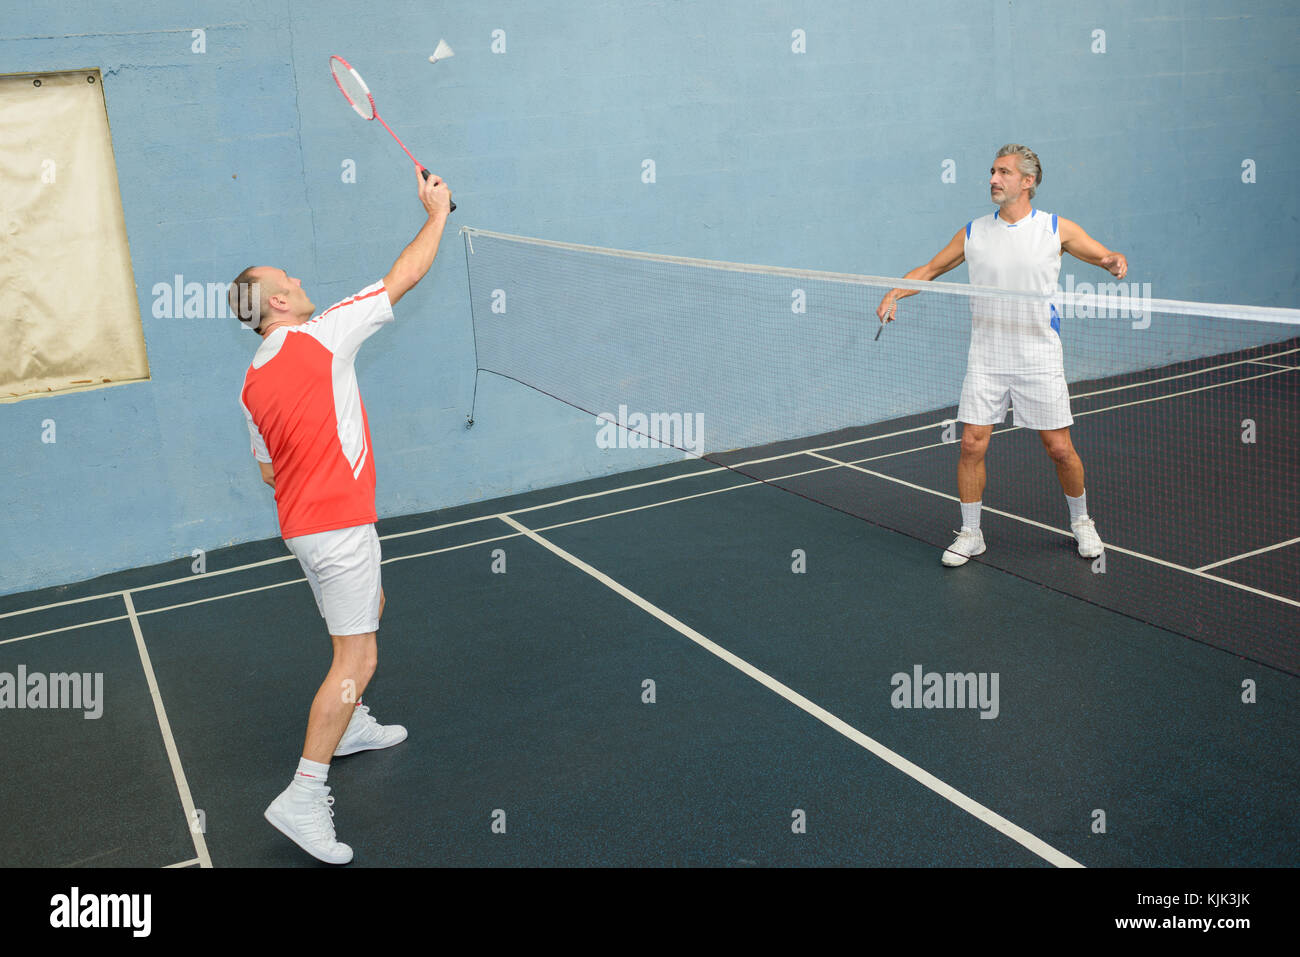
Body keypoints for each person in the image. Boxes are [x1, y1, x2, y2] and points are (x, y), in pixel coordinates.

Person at [230, 170, 453, 863]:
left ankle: (350, 723)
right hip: (338, 523)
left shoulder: (251, 384)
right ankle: (303, 792)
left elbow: (268, 469)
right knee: (358, 654)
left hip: (303, 530)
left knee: (370, 603)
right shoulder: (322, 335)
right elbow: (403, 276)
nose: (298, 278)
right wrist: (437, 212)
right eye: (288, 276)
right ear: (278, 300)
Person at [876, 145, 1126, 567]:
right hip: (987, 356)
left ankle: (1082, 522)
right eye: (992, 171)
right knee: (972, 443)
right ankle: (971, 533)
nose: (994, 179)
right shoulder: (973, 232)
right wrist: (895, 291)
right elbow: (932, 269)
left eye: (1004, 172)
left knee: (1059, 447)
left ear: (1027, 182)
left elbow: (1100, 254)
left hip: (1038, 354)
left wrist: (1112, 261)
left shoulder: (1054, 228)